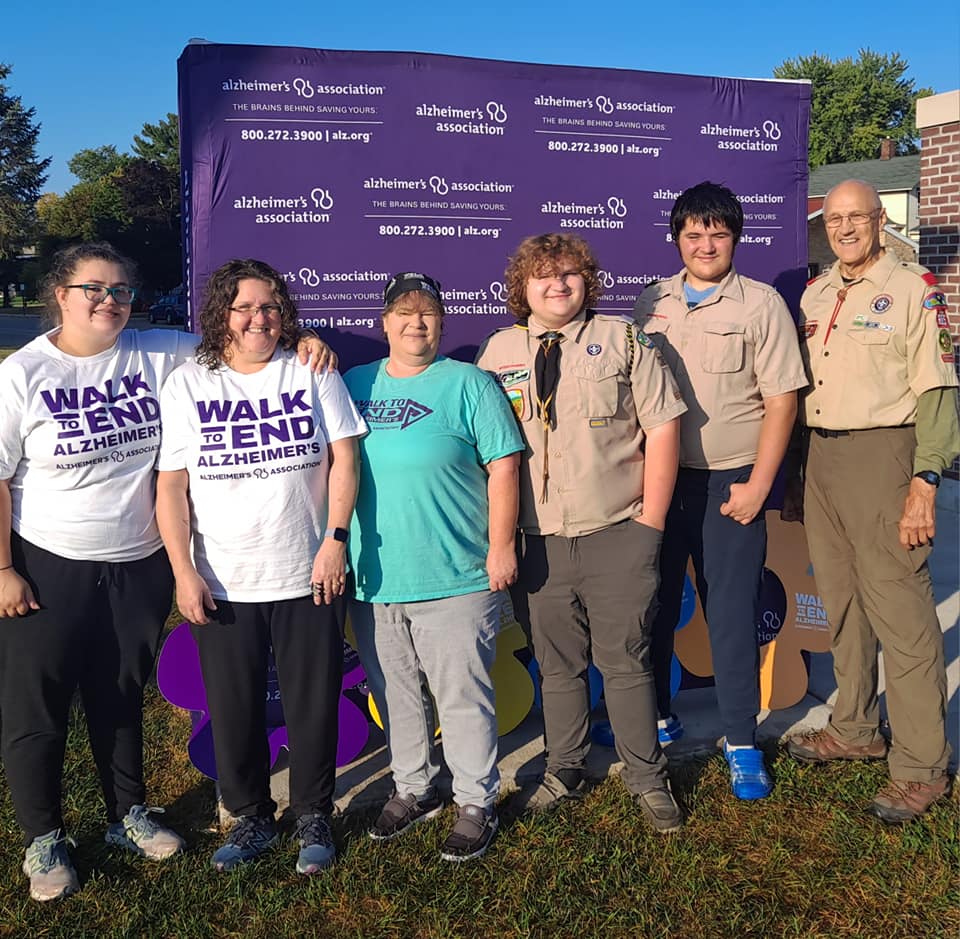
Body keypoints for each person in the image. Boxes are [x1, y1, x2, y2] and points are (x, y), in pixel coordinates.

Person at [155, 258, 366, 874]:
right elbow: (171, 488)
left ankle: (312, 815)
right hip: (222, 576)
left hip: (310, 569)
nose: (258, 318)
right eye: (244, 306)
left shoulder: (310, 369)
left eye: (270, 306)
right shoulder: (189, 383)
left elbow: (346, 460)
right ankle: (248, 817)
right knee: (235, 702)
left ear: (286, 314)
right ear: (222, 312)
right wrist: (183, 571)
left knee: (313, 700)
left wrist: (335, 538)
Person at [476, 234, 687, 832]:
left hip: (617, 530)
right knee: (558, 664)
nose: (558, 284)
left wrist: (651, 524)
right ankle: (564, 767)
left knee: (625, 662)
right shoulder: (497, 353)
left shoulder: (622, 339)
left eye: (569, 273)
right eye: (543, 276)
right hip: (537, 539)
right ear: (522, 287)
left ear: (586, 280)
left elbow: (664, 429)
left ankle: (647, 776)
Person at [783, 179, 959, 822]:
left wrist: (925, 480)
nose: (846, 227)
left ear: (880, 220)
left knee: (902, 613)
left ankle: (920, 766)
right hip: (823, 458)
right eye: (835, 218)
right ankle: (855, 729)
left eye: (858, 216)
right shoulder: (815, 293)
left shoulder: (914, 290)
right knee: (842, 603)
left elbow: (937, 390)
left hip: (887, 456)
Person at [634, 182, 807, 800]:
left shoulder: (761, 305)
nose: (705, 244)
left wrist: (761, 486)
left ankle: (740, 741)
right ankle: (654, 717)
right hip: (658, 484)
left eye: (718, 233)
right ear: (677, 239)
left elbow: (783, 401)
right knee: (649, 607)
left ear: (735, 237)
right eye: (693, 234)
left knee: (730, 618)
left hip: (732, 483)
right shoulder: (649, 303)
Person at [345, 272, 524, 863]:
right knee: (394, 691)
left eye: (426, 312)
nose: (415, 322)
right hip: (374, 576)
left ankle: (476, 800)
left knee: (461, 693)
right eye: (403, 312)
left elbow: (503, 467)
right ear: (384, 322)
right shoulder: (352, 383)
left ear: (442, 322)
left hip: (455, 572)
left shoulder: (469, 384)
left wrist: (501, 546)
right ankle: (414, 787)